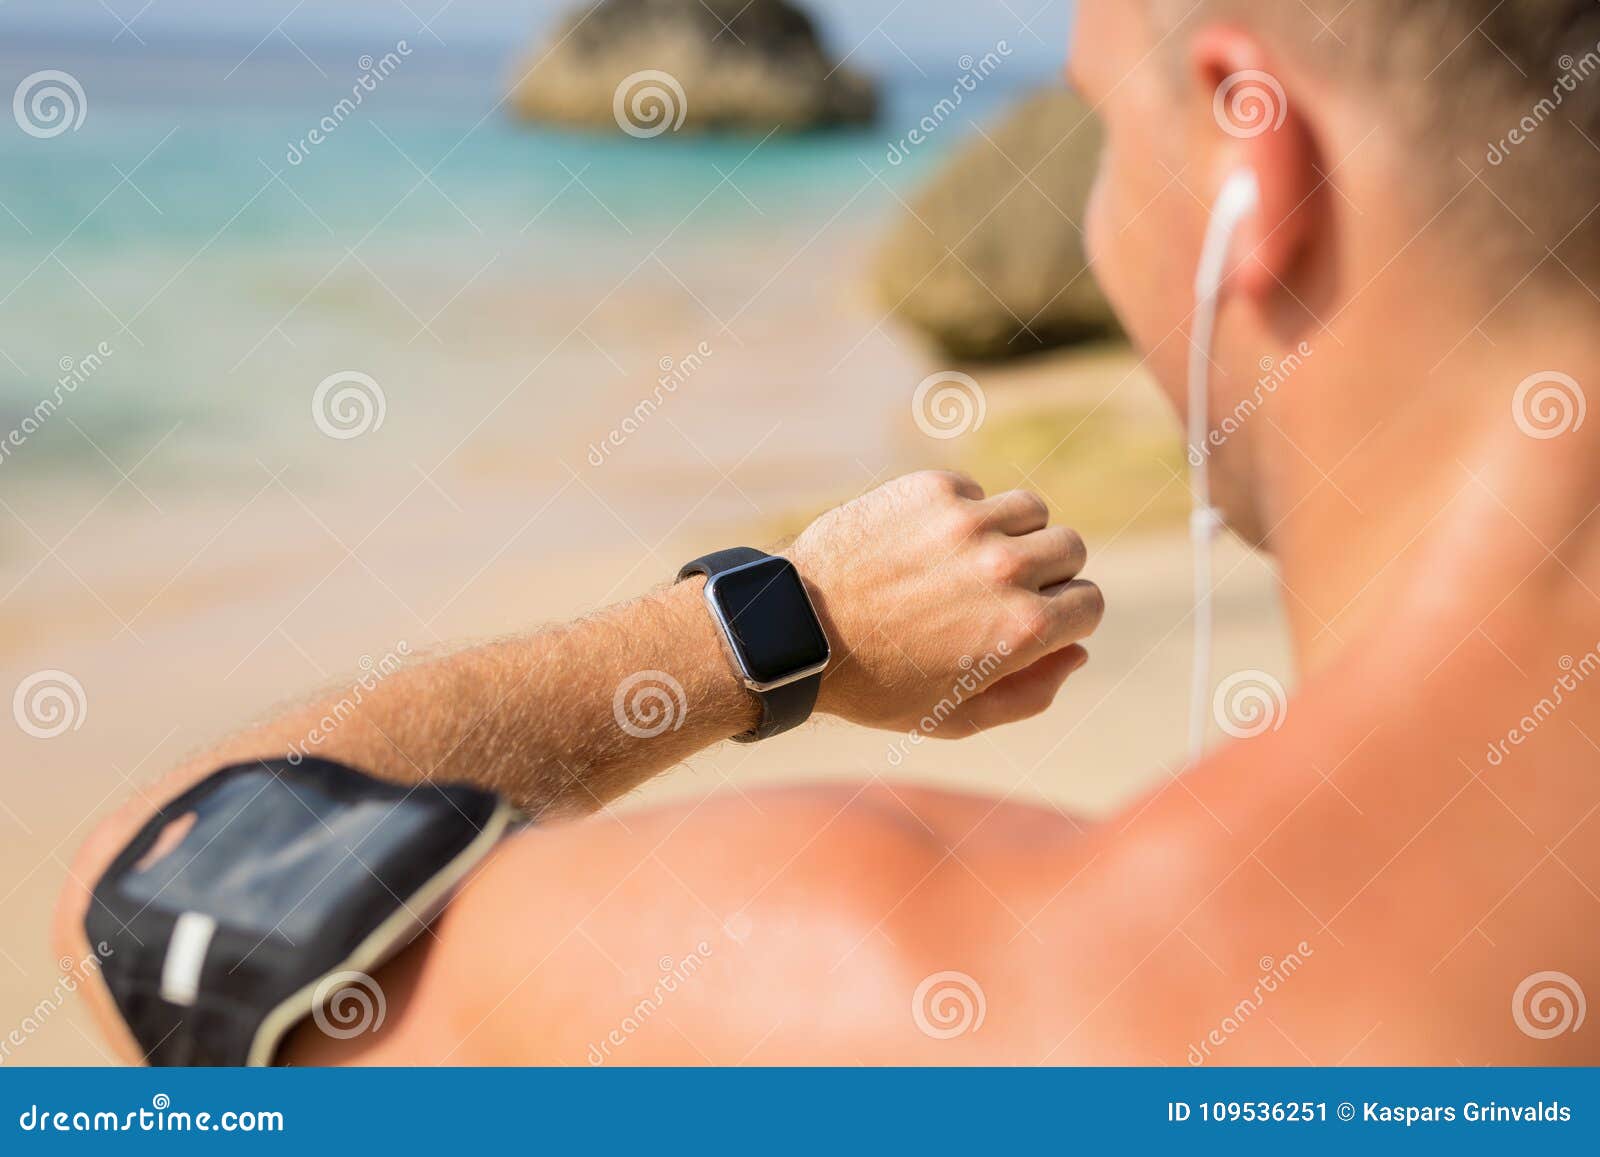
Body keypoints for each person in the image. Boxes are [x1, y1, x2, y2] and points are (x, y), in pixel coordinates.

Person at [57, 0, 1600, 1064]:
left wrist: (769, 625)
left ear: (1248, 149)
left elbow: (162, 901)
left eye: (1099, 125)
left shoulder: (970, 976)